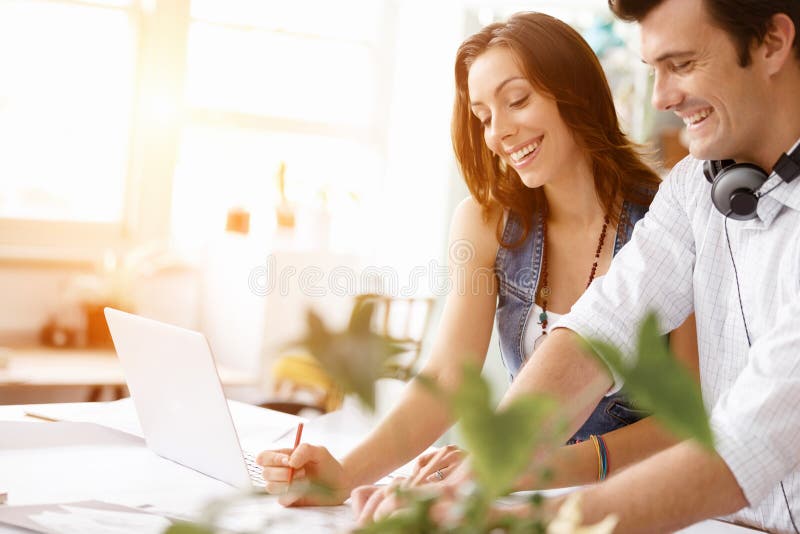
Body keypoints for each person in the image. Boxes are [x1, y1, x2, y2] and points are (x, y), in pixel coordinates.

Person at [256, 11, 698, 516]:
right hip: (517, 497)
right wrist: (345, 475)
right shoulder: (487, 223)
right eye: (484, 115)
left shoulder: (668, 219)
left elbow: (689, 421)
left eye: (517, 100)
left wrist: (522, 468)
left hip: (652, 506)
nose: (498, 133)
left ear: (575, 91)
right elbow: (447, 377)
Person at [385, 0, 800, 532]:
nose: (662, 97)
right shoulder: (695, 188)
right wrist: (480, 476)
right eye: (655, 70)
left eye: (684, 64)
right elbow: (597, 329)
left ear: (771, 43)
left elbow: (742, 450)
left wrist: (514, 518)